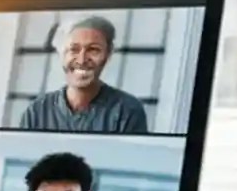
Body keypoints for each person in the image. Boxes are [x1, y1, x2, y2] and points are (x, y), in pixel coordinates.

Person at [18, 15, 149, 133]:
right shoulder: (37, 112)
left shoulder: (126, 111)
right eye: (74, 49)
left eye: (93, 50)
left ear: (108, 54)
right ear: (62, 54)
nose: (81, 60)